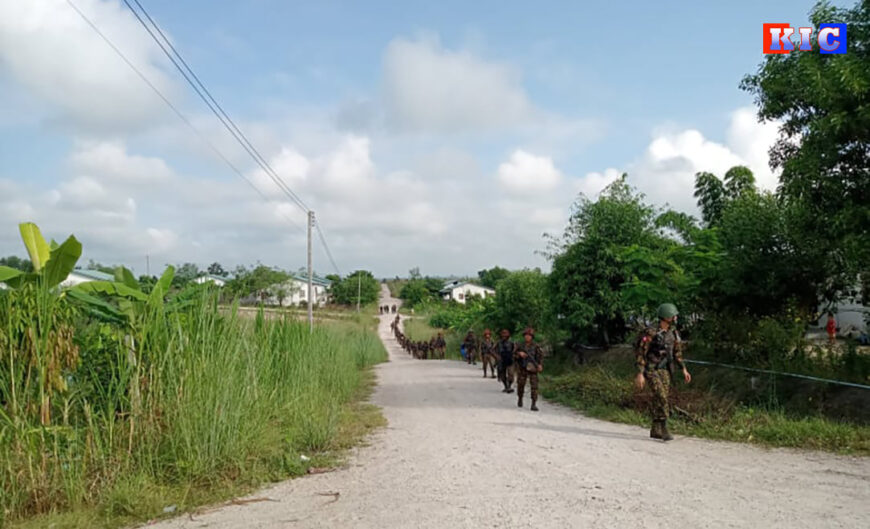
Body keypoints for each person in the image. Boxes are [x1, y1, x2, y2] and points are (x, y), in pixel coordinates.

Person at [634, 303, 692, 442]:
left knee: (661, 398)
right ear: (666, 317)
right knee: (661, 396)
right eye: (673, 315)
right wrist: (640, 373)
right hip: (651, 369)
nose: (675, 317)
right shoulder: (650, 332)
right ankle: (665, 427)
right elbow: (641, 352)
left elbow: (677, 353)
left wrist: (683, 369)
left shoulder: (674, 334)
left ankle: (655, 429)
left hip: (665, 369)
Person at [515, 328, 543, 411]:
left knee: (534, 386)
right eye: (526, 335)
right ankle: (520, 398)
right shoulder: (520, 345)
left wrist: (540, 365)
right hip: (522, 368)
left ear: (532, 337)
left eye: (529, 335)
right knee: (520, 384)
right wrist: (519, 353)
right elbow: (513, 355)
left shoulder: (536, 346)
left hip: (533, 368)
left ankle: (533, 404)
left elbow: (540, 357)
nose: (527, 337)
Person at [496, 329, 516, 393]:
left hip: (510, 359)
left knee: (511, 374)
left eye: (505, 335)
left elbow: (515, 349)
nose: (504, 337)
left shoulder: (511, 343)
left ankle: (509, 386)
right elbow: (492, 349)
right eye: (503, 335)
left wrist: (514, 355)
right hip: (502, 359)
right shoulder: (499, 343)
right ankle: (506, 386)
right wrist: (496, 356)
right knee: (502, 374)